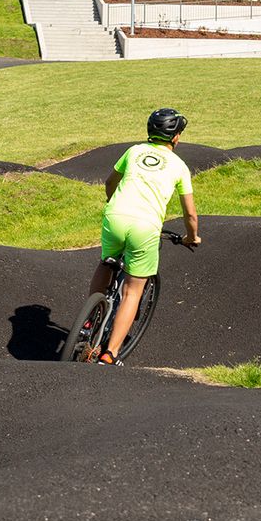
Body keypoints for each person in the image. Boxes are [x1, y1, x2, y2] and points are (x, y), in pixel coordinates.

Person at [84, 108, 202, 365]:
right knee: (132, 292)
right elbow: (190, 215)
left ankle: (88, 319)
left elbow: (110, 183)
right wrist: (191, 237)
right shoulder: (179, 167)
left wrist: (116, 205)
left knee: (107, 261)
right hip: (145, 227)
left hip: (114, 215)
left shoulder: (134, 151)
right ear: (176, 137)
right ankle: (110, 354)